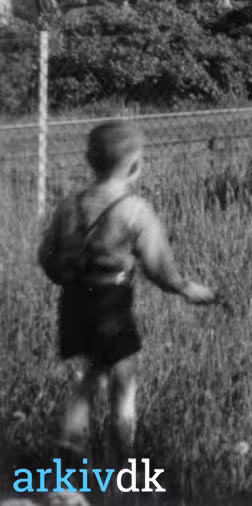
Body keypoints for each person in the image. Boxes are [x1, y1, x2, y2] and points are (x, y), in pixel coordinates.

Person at [37, 122, 220, 465]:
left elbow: (45, 255)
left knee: (92, 374)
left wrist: (70, 273)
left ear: (90, 160)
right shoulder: (135, 210)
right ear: (135, 165)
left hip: (75, 303)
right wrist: (186, 288)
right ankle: (125, 464)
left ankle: (69, 442)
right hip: (112, 304)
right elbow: (159, 269)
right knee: (123, 383)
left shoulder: (70, 205)